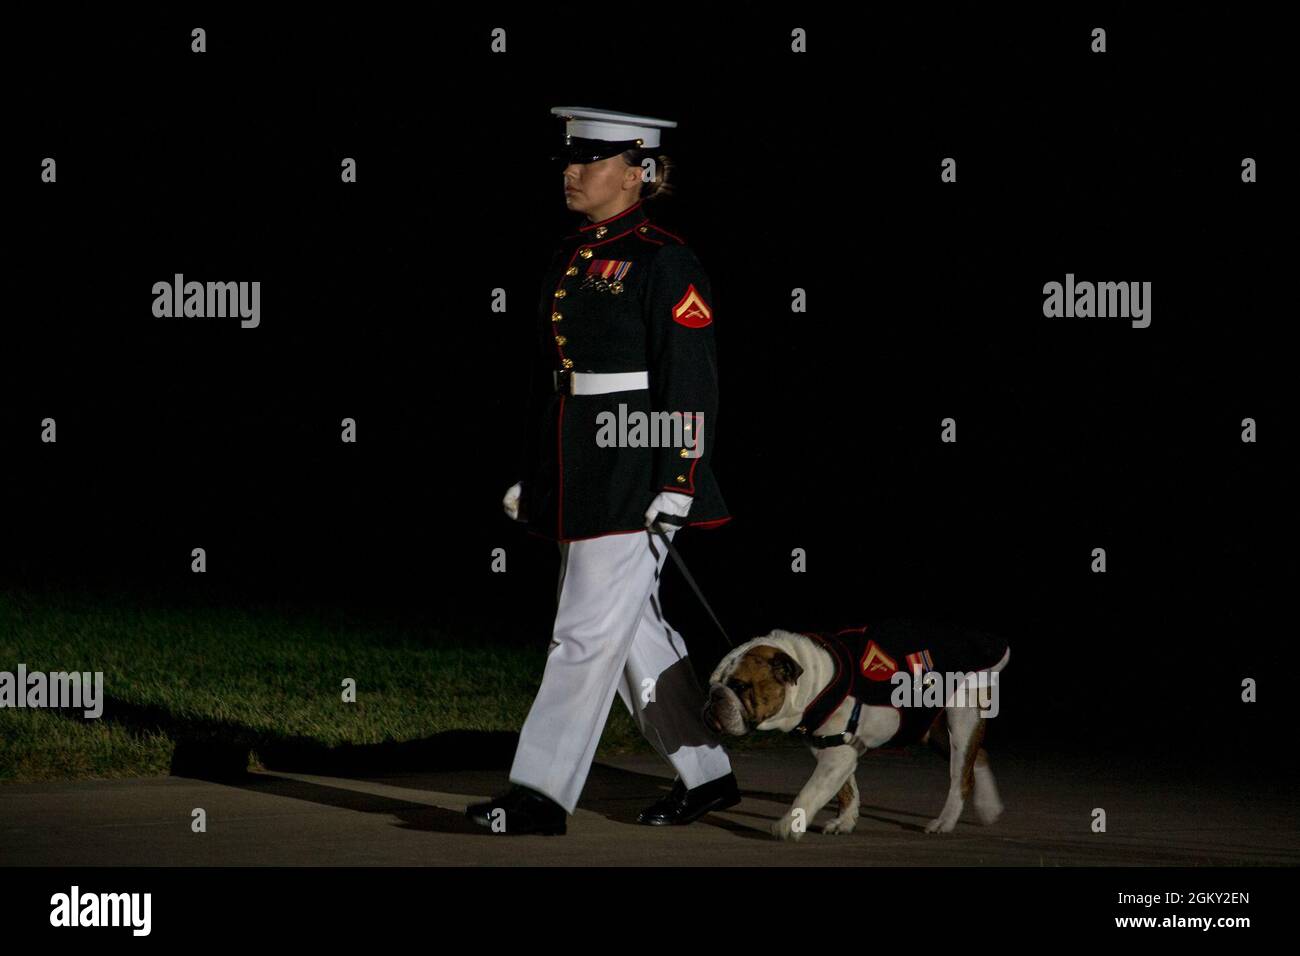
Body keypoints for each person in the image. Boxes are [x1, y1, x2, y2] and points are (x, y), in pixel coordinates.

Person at [466, 106, 738, 835]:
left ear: (639, 172)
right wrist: (541, 473)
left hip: (633, 469)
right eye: (569, 158)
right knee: (632, 636)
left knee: (583, 633)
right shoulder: (574, 254)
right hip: (580, 463)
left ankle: (540, 794)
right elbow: (557, 379)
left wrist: (680, 477)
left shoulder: (665, 260)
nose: (572, 170)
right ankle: (708, 773)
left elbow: (690, 378)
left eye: (591, 158)